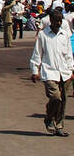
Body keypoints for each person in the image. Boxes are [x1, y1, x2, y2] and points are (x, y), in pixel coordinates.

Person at [30, 8, 73, 136]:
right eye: (56, 20)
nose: (58, 23)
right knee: (55, 98)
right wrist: (34, 70)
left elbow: (68, 54)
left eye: (60, 20)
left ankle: (59, 126)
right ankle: (49, 118)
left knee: (63, 100)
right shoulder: (43, 35)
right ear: (51, 21)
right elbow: (37, 54)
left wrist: (71, 70)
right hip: (49, 72)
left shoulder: (64, 35)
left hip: (64, 72)